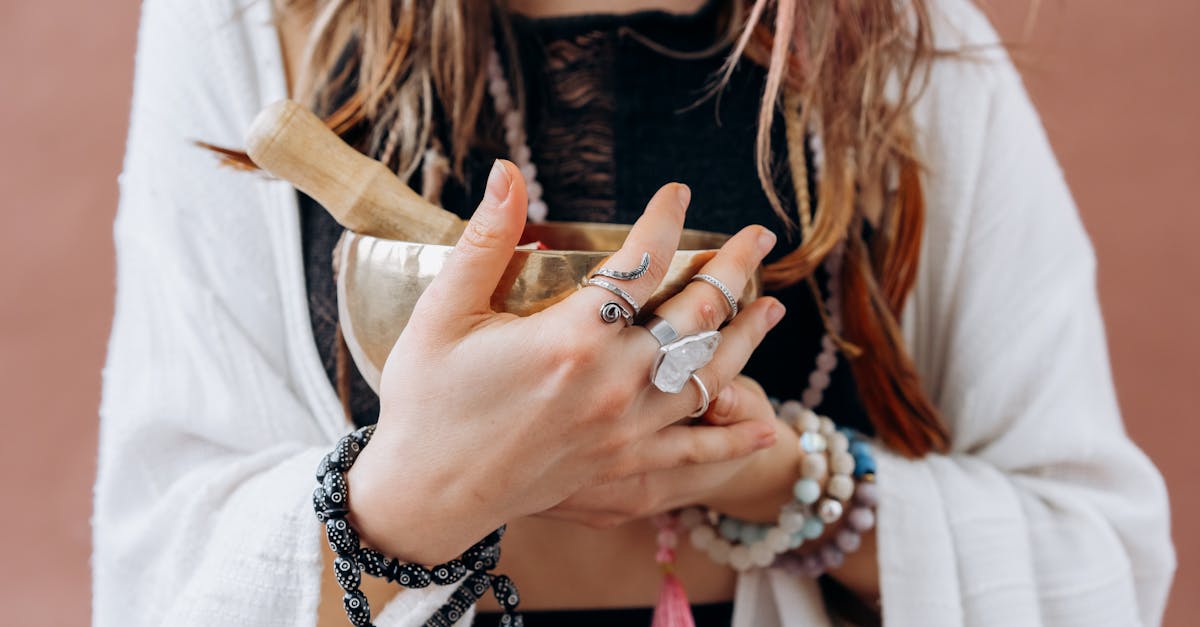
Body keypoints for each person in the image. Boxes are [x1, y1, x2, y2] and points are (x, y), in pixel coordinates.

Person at [93, 0, 1175, 625]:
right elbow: (162, 574)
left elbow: (1097, 560)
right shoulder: (247, 22)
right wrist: (421, 499)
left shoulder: (902, 36)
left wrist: (782, 478)